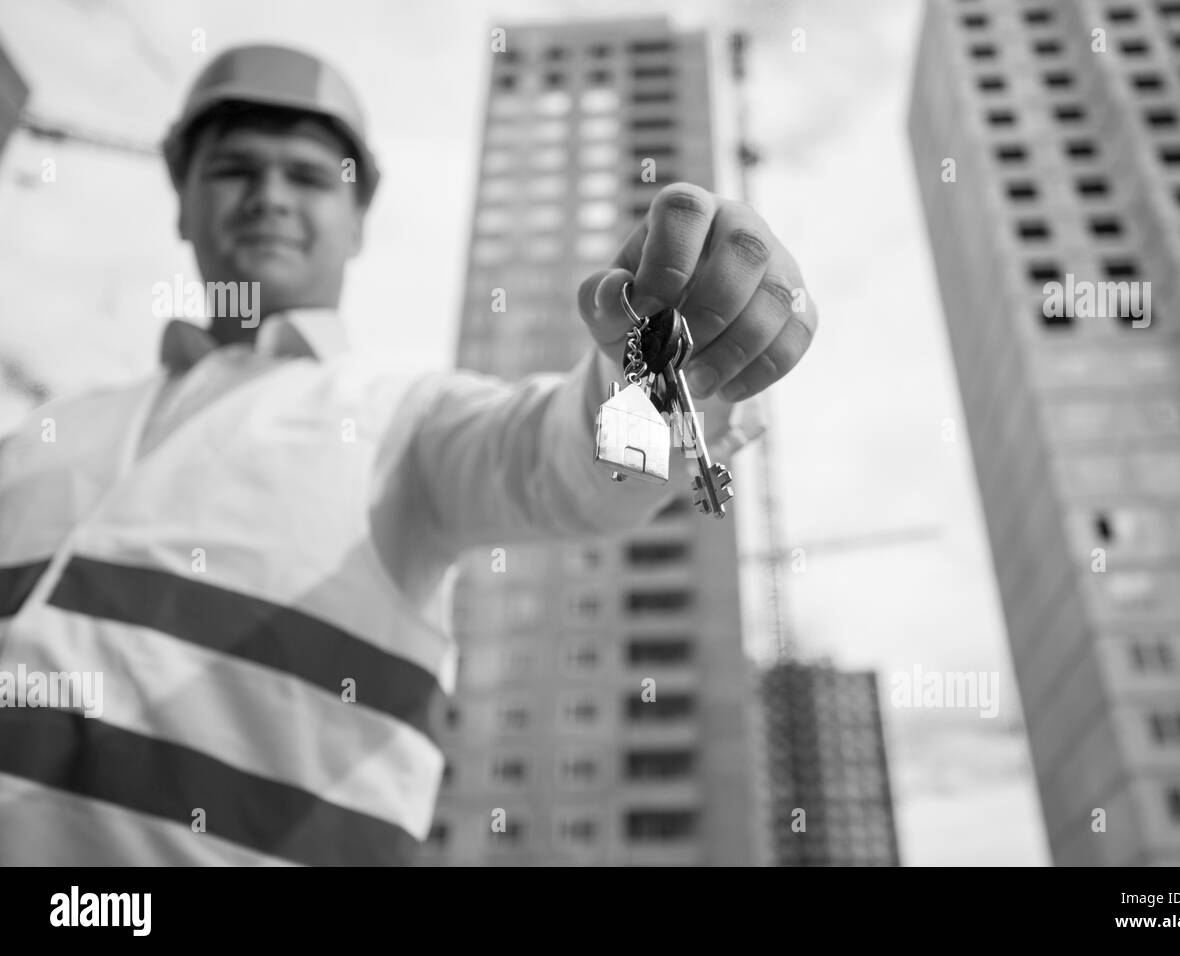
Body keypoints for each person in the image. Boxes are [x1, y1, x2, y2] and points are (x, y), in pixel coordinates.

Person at [0, 43, 817, 865]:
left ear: (359, 222)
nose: (268, 198)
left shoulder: (408, 419)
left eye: (310, 177)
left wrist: (664, 364)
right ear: (182, 203)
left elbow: (565, 463)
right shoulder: (46, 433)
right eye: (234, 170)